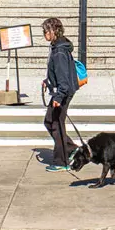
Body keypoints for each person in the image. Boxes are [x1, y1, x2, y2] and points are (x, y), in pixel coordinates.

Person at [40, 16, 75, 170]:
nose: (44, 34)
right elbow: (57, 73)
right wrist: (48, 81)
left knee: (55, 124)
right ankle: (71, 149)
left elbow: (63, 77)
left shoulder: (59, 51)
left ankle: (62, 161)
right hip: (60, 91)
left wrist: (59, 96)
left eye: (46, 31)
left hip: (62, 92)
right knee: (51, 122)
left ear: (54, 31)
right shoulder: (57, 47)